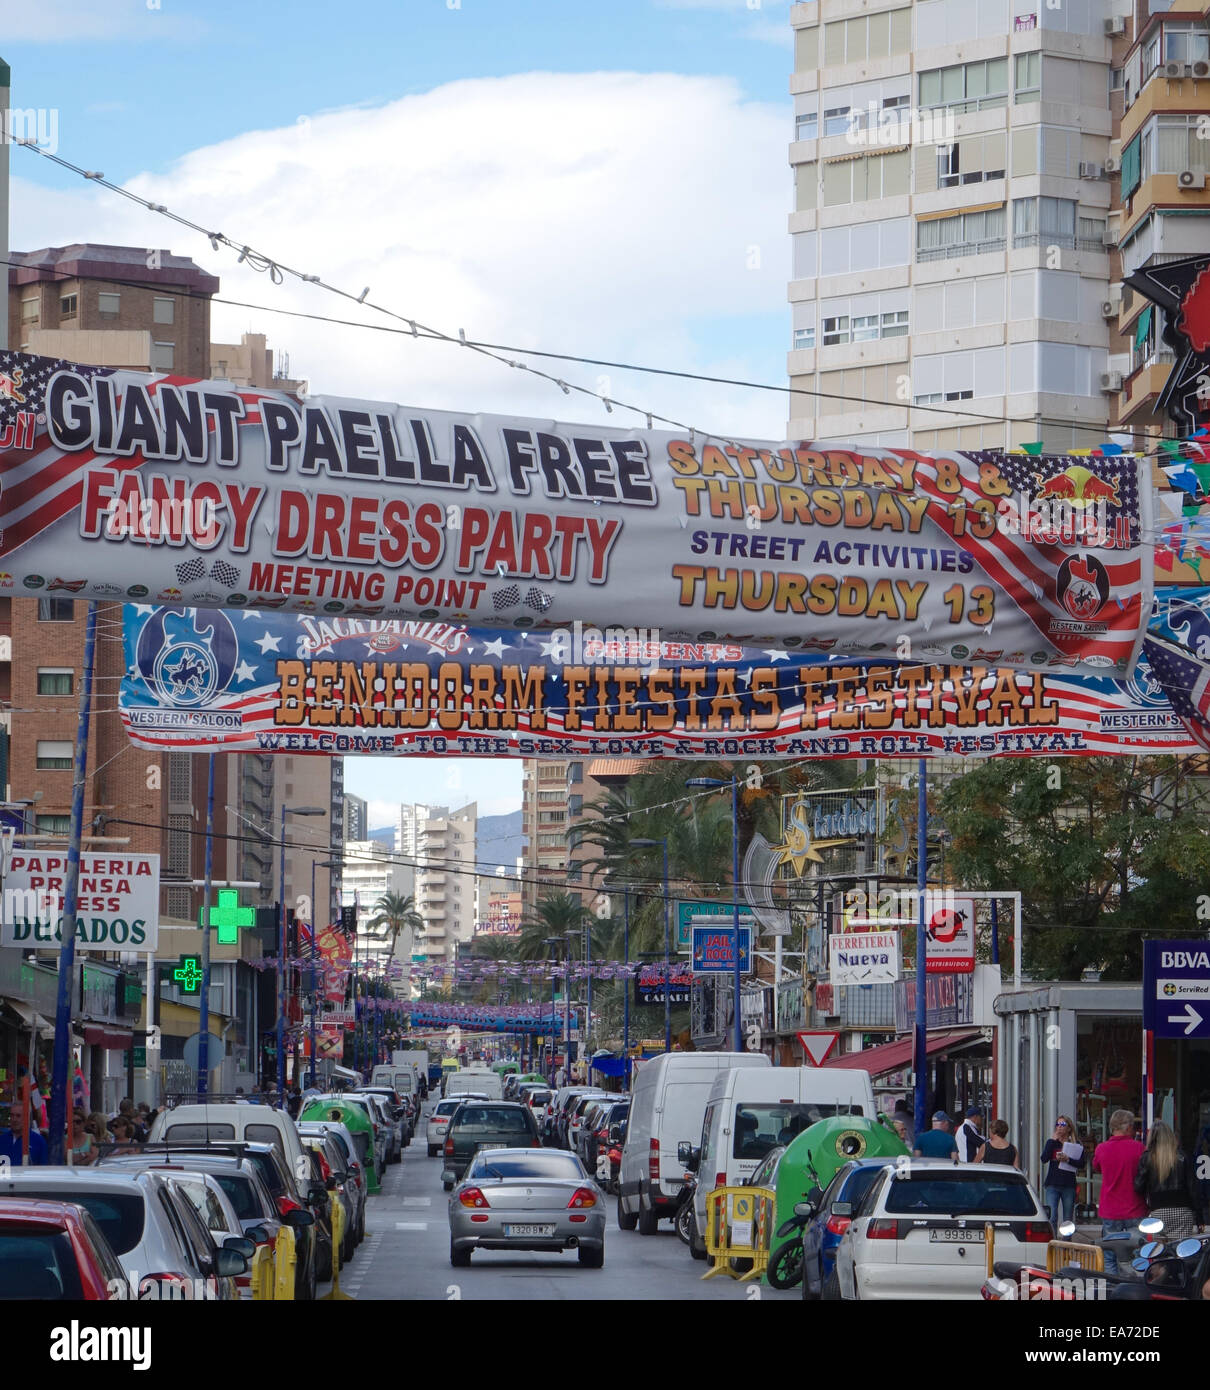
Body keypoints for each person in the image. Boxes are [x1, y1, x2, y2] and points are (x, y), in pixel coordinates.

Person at [1091, 1108, 1146, 1276]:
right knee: (1137, 1254)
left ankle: (1111, 1287)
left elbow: (1097, 1167)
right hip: (1135, 1207)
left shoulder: (1102, 1149)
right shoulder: (1139, 1149)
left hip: (1110, 1210)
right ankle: (1135, 1286)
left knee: (1109, 1254)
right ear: (1128, 1127)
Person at [1134, 1120, 1203, 1242]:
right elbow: (1193, 1189)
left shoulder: (1147, 1158)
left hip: (1158, 1211)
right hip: (1182, 1211)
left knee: (1159, 1253)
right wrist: (1199, 1217)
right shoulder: (1182, 1157)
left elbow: (1139, 1187)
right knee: (1180, 1253)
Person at [1040, 1115, 1083, 1228]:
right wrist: (1052, 1141)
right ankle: (1054, 1242)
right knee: (1052, 1216)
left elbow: (1082, 1164)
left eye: (1063, 1124)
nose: (1059, 1127)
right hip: (1053, 1184)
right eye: (1057, 1124)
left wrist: (1068, 1159)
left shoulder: (1075, 1144)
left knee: (1067, 1219)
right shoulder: (1052, 1142)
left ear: (1069, 1128)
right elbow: (1043, 1159)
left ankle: (1066, 1243)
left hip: (1068, 1184)